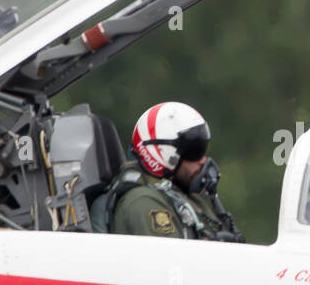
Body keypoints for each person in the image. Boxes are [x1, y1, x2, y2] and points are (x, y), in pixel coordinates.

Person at [91, 102, 244, 241]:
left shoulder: (181, 197)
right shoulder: (144, 202)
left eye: (203, 149)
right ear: (163, 153)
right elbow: (169, 266)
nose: (203, 160)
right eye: (195, 151)